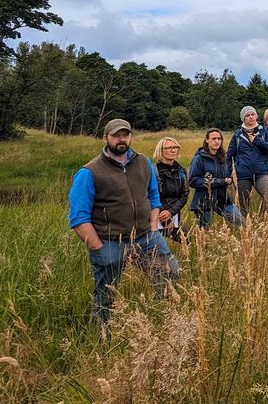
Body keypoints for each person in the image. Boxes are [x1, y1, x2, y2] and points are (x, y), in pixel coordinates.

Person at [67, 119, 179, 325]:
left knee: (170, 273)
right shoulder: (89, 172)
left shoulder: (143, 162)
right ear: (105, 138)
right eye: (116, 135)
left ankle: (159, 320)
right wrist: (98, 247)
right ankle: (102, 336)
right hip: (110, 241)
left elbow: (154, 198)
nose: (121, 139)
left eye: (125, 135)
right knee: (106, 296)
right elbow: (78, 217)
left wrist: (154, 227)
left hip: (146, 236)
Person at [228, 106, 268, 221]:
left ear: (256, 116)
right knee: (244, 205)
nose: (251, 117)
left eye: (252, 114)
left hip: (261, 172)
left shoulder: (263, 131)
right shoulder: (237, 135)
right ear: (243, 119)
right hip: (243, 175)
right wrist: (228, 172)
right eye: (247, 115)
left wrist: (257, 141)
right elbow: (229, 155)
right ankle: (244, 228)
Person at [188, 128, 243, 228]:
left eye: (219, 138)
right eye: (213, 139)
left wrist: (229, 179)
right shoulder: (199, 158)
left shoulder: (223, 157)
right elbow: (193, 180)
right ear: (207, 140)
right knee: (205, 233)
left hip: (224, 200)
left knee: (242, 222)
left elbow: (227, 175)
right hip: (205, 202)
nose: (216, 141)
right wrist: (220, 181)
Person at [153, 136, 189, 241]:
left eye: (175, 147)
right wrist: (164, 217)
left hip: (175, 215)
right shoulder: (153, 172)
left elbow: (184, 194)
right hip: (156, 218)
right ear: (160, 151)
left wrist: (171, 212)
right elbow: (149, 196)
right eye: (169, 148)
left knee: (187, 242)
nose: (173, 150)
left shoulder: (181, 171)